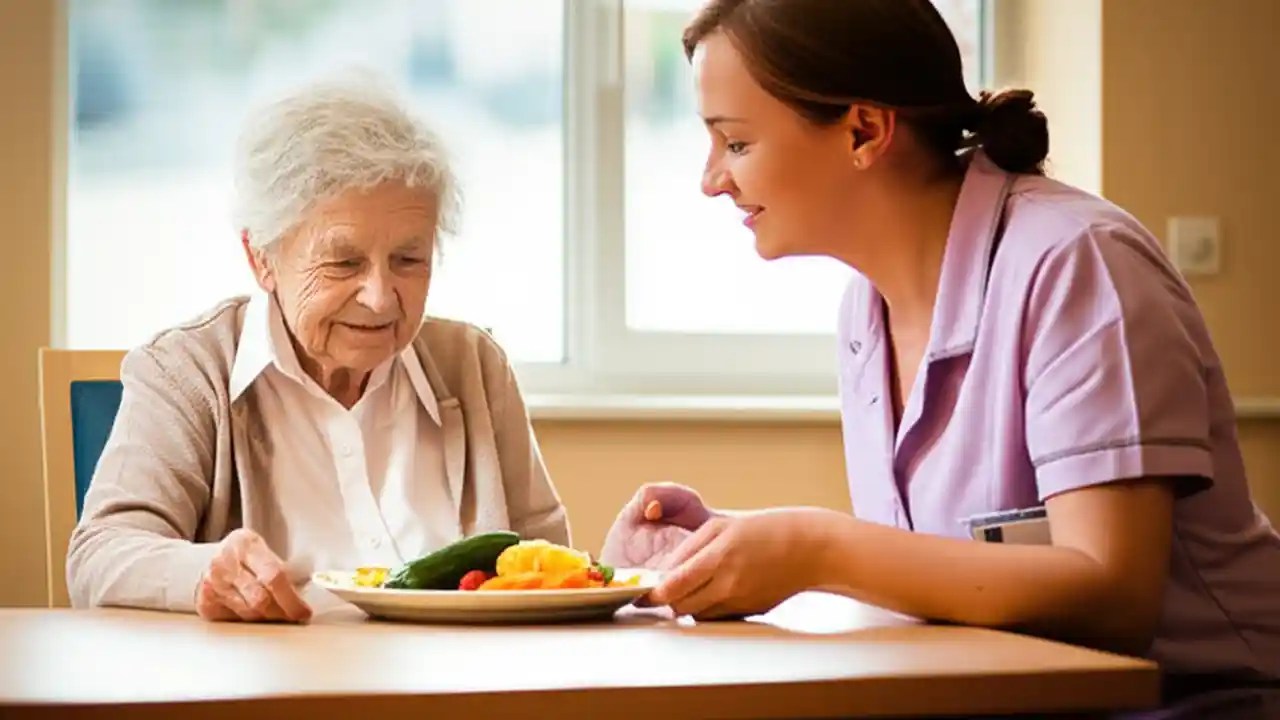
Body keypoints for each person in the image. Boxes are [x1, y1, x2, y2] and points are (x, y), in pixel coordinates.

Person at [600, 0, 1280, 712]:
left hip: (1204, 700)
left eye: (735, 144)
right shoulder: (866, 311)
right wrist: (730, 544)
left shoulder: (1077, 262)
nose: (712, 179)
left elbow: (1113, 597)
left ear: (863, 130)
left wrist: (816, 549)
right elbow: (950, 572)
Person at [68, 76, 569, 622]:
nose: (380, 299)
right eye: (344, 263)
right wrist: (203, 573)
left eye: (409, 259)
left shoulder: (475, 366)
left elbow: (548, 569)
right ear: (261, 258)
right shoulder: (187, 372)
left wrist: (622, 566)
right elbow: (99, 554)